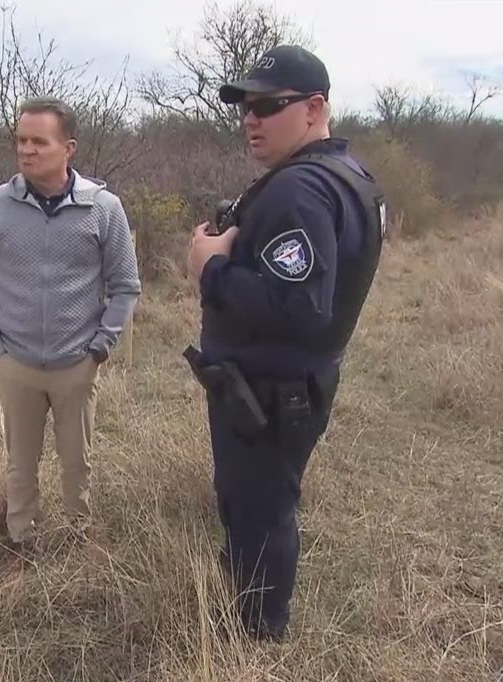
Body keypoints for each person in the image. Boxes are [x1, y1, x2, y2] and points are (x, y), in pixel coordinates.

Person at [184, 45, 387, 641]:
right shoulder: (352, 176)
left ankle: (256, 632)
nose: (251, 118)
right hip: (296, 380)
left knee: (260, 509)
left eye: (269, 106)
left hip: (270, 390)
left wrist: (209, 269)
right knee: (261, 502)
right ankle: (249, 598)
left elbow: (300, 306)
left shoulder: (299, 190)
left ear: (314, 107)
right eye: (245, 107)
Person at [0, 96, 141, 549]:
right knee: (20, 463)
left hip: (76, 363)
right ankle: (22, 541)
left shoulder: (103, 209)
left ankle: (78, 539)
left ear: (69, 148)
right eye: (21, 141)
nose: (27, 151)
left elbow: (126, 286)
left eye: (39, 141)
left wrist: (101, 346)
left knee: (76, 461)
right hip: (15, 362)